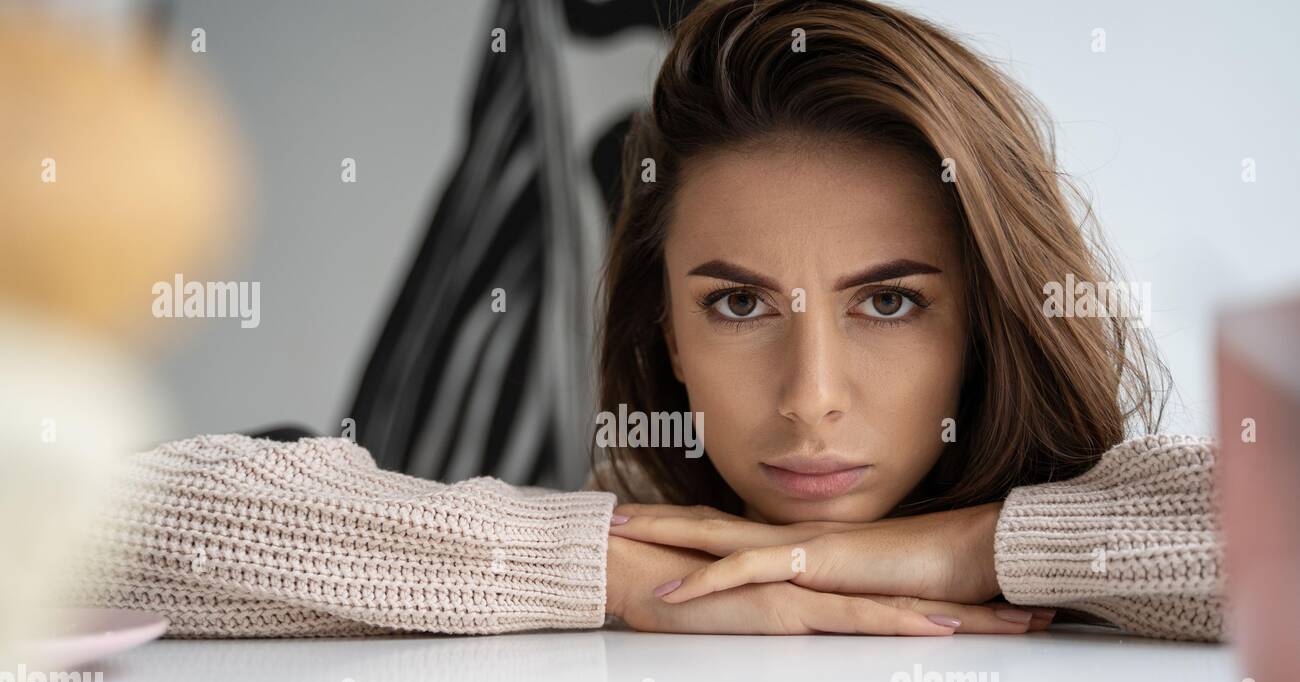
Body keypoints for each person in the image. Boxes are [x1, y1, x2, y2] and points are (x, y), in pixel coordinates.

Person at [69, 0, 1221, 641]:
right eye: (735, 302)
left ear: (986, 318)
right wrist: (611, 573)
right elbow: (86, 527)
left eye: (887, 301)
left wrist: (982, 550)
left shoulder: (1124, 552)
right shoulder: (586, 572)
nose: (810, 392)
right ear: (666, 328)